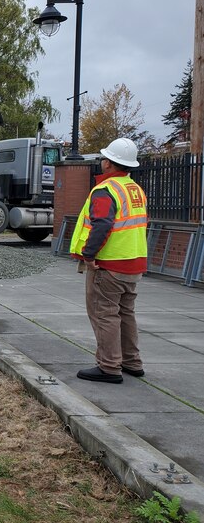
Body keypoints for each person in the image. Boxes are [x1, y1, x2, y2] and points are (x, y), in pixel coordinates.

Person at [70, 138, 148, 384]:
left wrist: (90, 255)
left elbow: (102, 225)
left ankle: (109, 366)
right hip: (133, 262)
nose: (102, 161)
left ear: (109, 164)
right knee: (126, 313)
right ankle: (131, 362)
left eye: (104, 158)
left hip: (109, 264)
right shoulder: (134, 189)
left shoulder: (106, 190)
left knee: (105, 314)